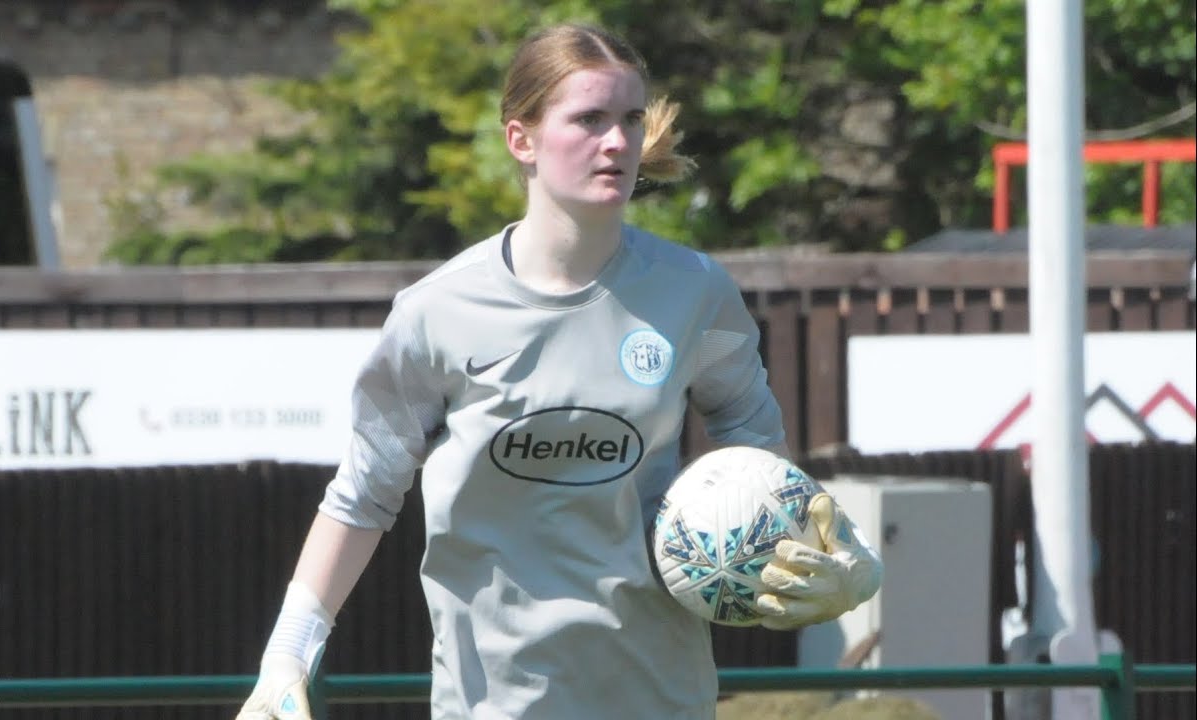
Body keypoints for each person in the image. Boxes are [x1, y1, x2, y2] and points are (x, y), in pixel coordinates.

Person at [236, 22, 882, 720]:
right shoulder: (436, 314)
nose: (617, 142)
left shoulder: (696, 292)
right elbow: (363, 495)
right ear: (522, 139)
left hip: (662, 699)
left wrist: (854, 566)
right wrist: (288, 654)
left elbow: (762, 465)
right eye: (589, 119)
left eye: (631, 119)